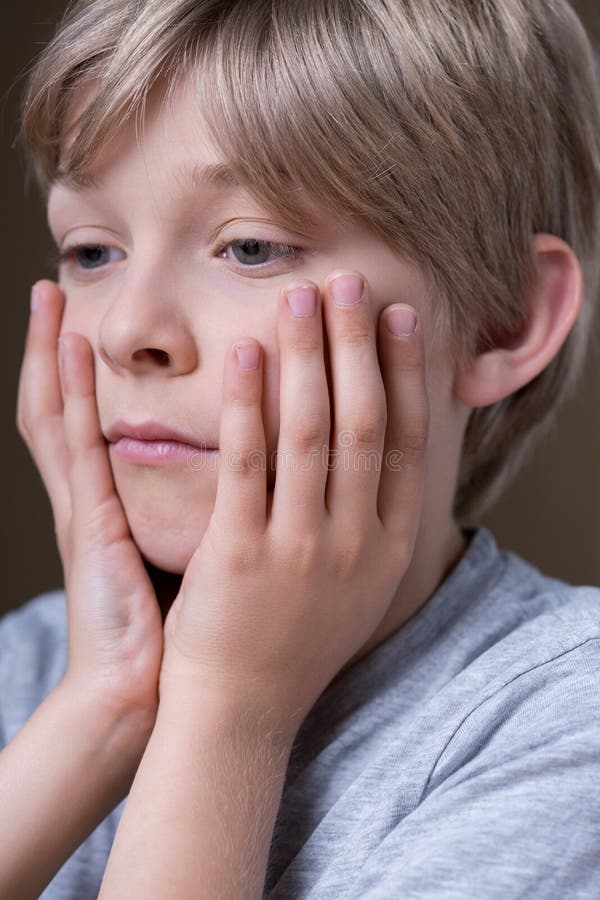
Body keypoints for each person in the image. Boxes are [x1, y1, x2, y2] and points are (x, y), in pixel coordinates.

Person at [2, 0, 600, 896]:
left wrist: (226, 715)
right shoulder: (28, 668)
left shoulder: (559, 722)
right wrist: (102, 709)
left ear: (500, 319)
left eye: (250, 246)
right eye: (91, 252)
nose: (128, 328)